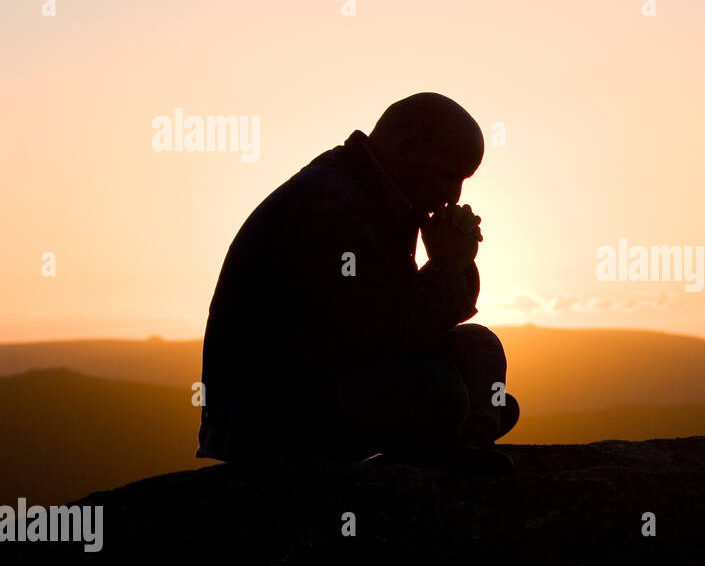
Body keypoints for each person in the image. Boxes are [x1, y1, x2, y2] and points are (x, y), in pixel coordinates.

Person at [197, 92, 519, 474]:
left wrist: (451, 263)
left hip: (342, 374)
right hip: (275, 415)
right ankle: (453, 437)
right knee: (441, 390)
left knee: (479, 350)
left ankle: (465, 440)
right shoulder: (334, 208)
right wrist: (447, 265)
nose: (454, 195)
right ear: (407, 149)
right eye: (448, 176)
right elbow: (382, 335)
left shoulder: (384, 195)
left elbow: (391, 317)